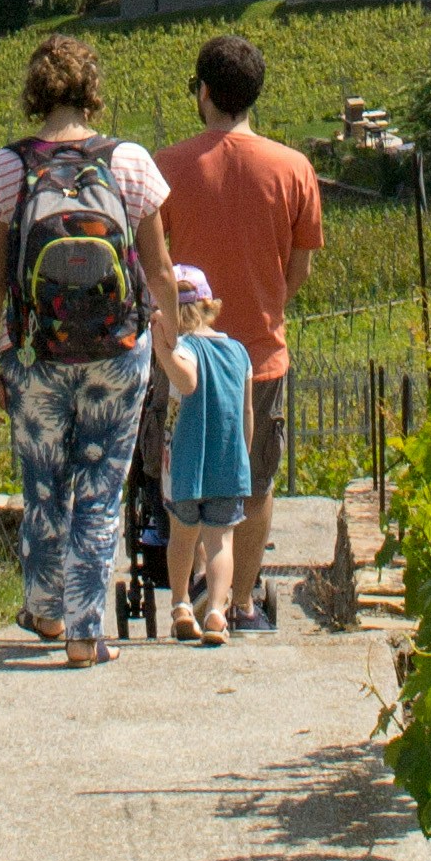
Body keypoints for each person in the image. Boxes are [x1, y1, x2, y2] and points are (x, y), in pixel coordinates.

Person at [0, 31, 178, 667]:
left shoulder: (6, 169)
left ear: (35, 91)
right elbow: (162, 270)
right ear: (93, 90)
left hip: (34, 352)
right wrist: (170, 349)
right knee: (100, 484)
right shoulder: (131, 162)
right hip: (118, 351)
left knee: (43, 481)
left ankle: (46, 608)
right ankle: (85, 631)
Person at [158, 29, 322, 634]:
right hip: (259, 355)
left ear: (202, 92)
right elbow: (297, 271)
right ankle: (242, 601)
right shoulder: (294, 168)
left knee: (184, 474)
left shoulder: (168, 167)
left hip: (184, 358)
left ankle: (197, 583)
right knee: (253, 480)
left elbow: (153, 265)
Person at [154, 259, 253, 641]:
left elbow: (188, 381)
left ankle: (180, 603)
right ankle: (215, 610)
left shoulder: (185, 348)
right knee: (220, 541)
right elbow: (246, 412)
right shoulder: (239, 352)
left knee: (182, 537)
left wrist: (164, 350)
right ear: (209, 305)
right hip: (229, 463)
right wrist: (242, 453)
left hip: (186, 463)